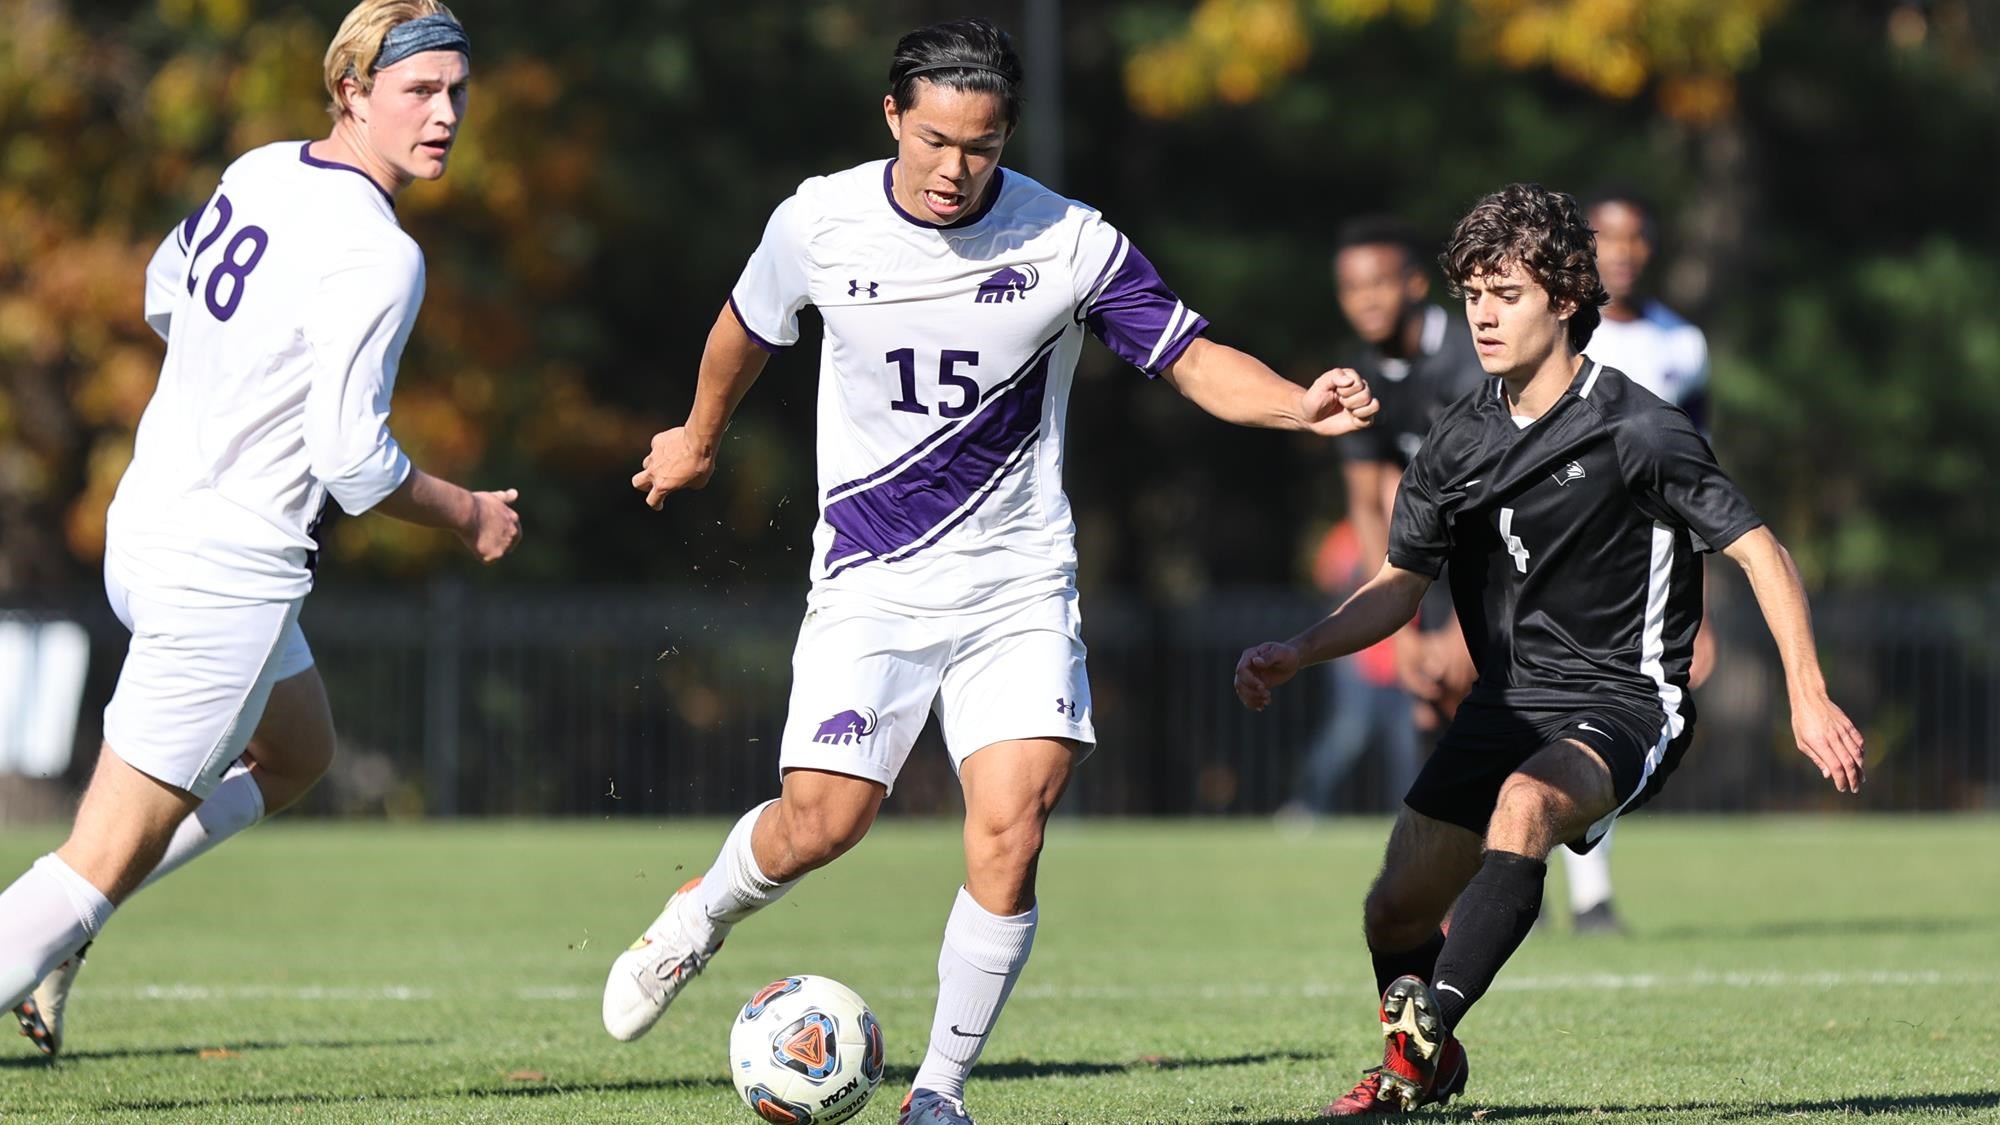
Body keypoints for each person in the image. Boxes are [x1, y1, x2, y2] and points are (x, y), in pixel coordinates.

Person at [604, 19, 1377, 1125]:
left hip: (1014, 588)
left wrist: (1294, 404)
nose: (953, 170)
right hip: (870, 580)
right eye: (932, 142)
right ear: (890, 119)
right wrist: (697, 433)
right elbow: (744, 326)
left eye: (978, 146)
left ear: (1004, 133)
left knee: (1012, 824)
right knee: (823, 821)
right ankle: (699, 916)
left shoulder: (1068, 241)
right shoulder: (816, 221)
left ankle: (938, 1094)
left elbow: (1191, 355)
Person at [1233, 183, 1864, 1115]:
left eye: (1508, 293)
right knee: (1394, 911)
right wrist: (1302, 647)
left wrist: (1808, 693)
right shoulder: (1455, 439)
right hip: (1509, 699)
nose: (1483, 314)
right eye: (1473, 294)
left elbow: (1760, 549)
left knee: (1525, 805)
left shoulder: (1641, 428)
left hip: (1627, 696)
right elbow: (1400, 586)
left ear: (1566, 297)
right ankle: (1434, 1062)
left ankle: (1412, 1057)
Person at [4, 0, 520, 1058]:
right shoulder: (383, 257)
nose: (444, 114)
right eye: (418, 90)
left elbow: (163, 291)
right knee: (95, 858)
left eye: (456, 92)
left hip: (144, 526)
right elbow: (355, 464)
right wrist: (466, 511)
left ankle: (68, 921)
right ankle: (63, 920)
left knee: (298, 752)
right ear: (351, 93)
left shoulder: (261, 168)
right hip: (225, 573)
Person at [1557, 188, 1719, 934]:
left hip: (1643, 564)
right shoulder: (1552, 331)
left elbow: (1700, 478)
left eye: (1634, 237)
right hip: (1551, 553)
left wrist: (1702, 604)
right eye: (1605, 237)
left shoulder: (1681, 345)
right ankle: (1517, 874)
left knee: (1604, 718)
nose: (1620, 251)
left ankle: (1588, 897)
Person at [1331, 216, 1489, 745]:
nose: (1365, 301)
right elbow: (1368, 505)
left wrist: (1470, 631)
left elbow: (1497, 499)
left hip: (1505, 567)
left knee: (1501, 722)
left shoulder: (1471, 360)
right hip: (1429, 572)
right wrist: (1397, 632)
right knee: (1432, 716)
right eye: (1351, 289)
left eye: (1378, 283)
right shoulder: (1358, 375)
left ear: (1415, 284)